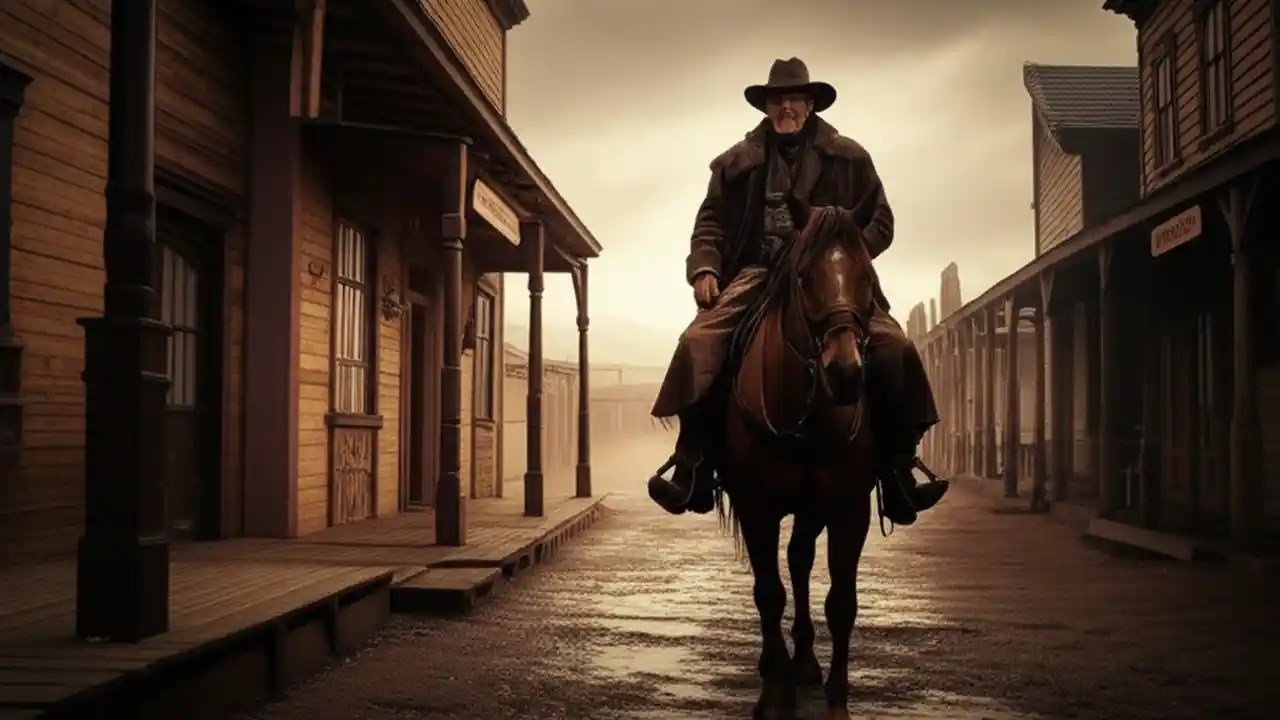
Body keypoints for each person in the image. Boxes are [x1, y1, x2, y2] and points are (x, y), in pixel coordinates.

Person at [647, 57, 949, 525]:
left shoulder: (849, 157)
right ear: (767, 107)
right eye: (777, 99)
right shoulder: (735, 164)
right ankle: (693, 462)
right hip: (757, 272)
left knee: (897, 348)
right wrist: (705, 267)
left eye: (793, 99)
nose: (785, 106)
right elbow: (709, 223)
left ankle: (899, 466)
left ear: (810, 104)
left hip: (829, 277)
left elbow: (882, 220)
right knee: (696, 343)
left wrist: (846, 254)